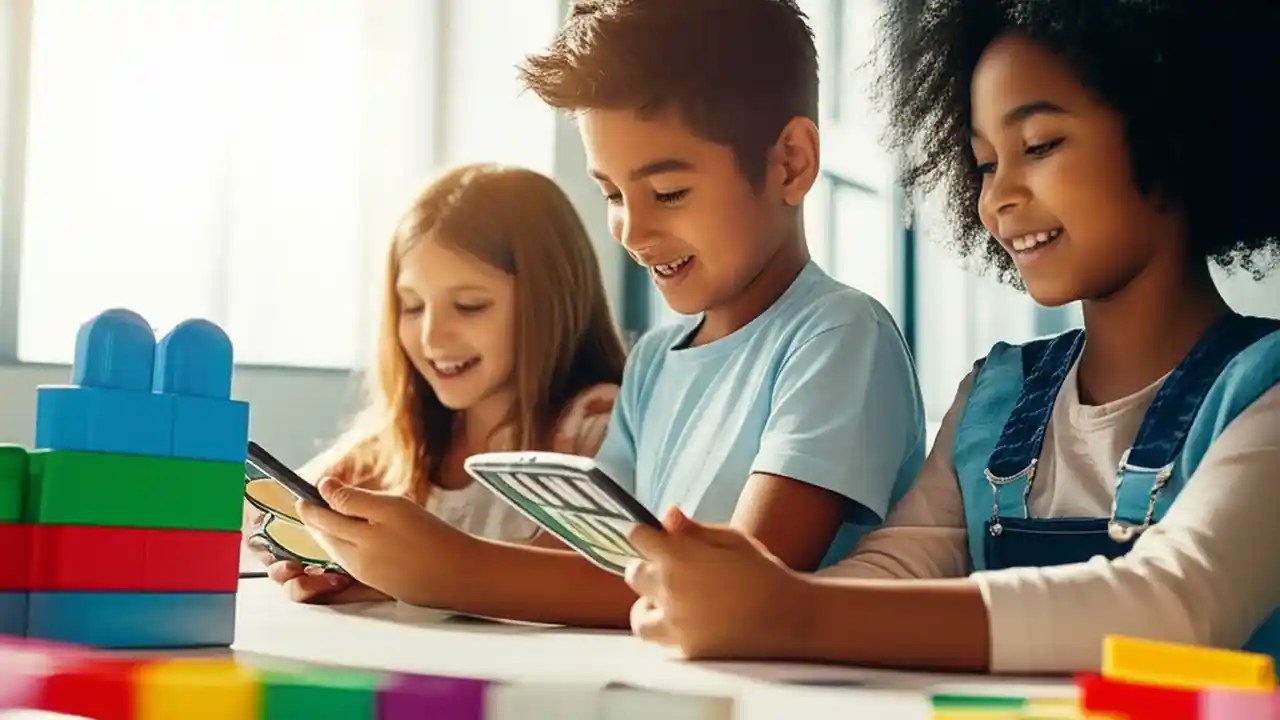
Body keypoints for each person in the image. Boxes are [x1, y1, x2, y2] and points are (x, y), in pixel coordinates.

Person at [622, 0, 1280, 675]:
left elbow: (1172, 605)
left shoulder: (1268, 392)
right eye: (987, 164)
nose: (996, 200)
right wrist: (747, 602)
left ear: (1173, 129)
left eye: (1040, 146)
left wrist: (790, 611)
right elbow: (898, 567)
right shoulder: (996, 400)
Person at [291, 0, 925, 627]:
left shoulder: (840, 337)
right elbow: (588, 558)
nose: (631, 228)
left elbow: (742, 584)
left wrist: (453, 570)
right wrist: (387, 574)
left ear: (790, 162)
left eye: (668, 192)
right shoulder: (653, 361)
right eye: (612, 194)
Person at [244, 163, 625, 604]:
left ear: (553, 301)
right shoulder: (393, 444)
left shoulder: (595, 425)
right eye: (411, 306)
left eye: (469, 305)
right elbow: (261, 518)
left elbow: (585, 581)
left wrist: (405, 583)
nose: (431, 337)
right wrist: (339, 569)